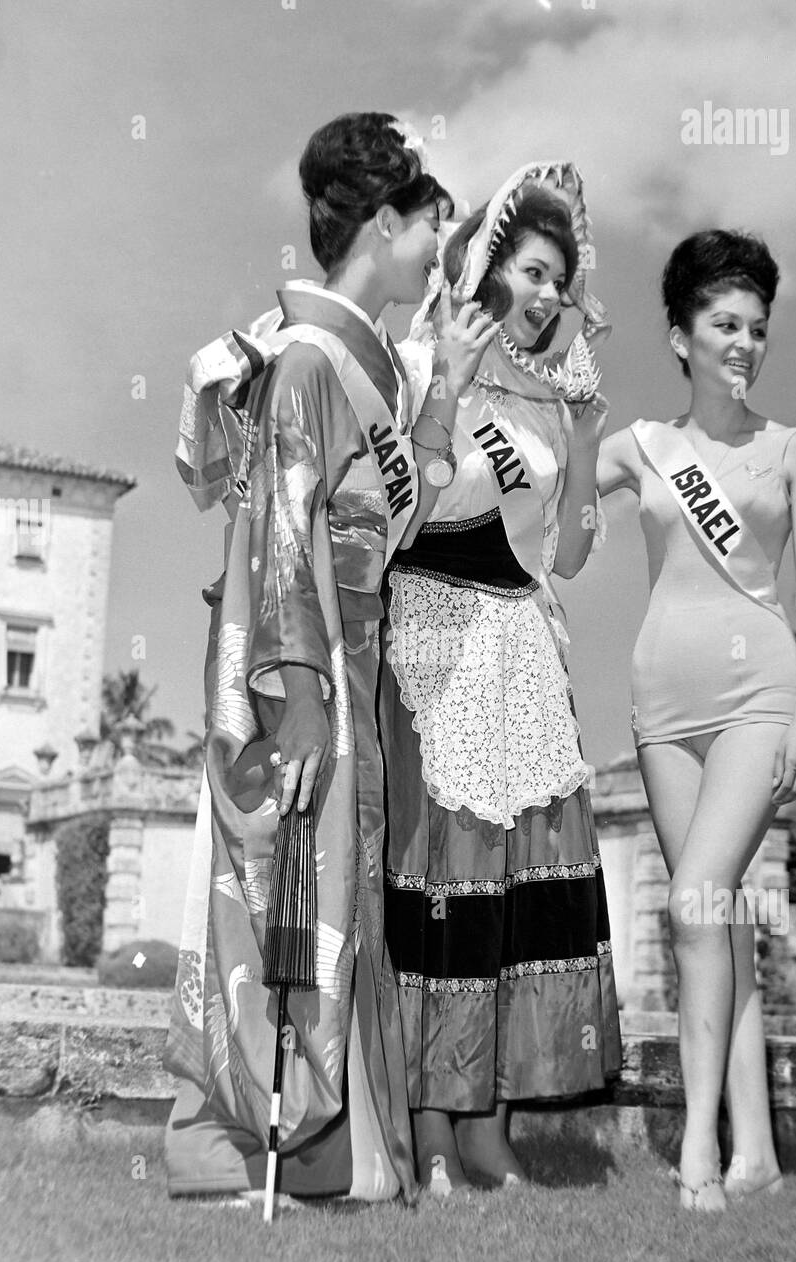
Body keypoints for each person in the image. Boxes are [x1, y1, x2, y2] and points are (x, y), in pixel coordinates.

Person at [163, 112, 496, 1205]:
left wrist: (443, 383)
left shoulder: (370, 370)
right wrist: (298, 697)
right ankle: (246, 1151)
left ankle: (334, 1153)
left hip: (354, 656)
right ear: (385, 223)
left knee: (335, 893)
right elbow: (276, 532)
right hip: (296, 668)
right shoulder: (306, 359)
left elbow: (398, 517)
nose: (436, 259)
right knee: (284, 895)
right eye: (429, 233)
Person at [382, 163, 622, 1195]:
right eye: (533, 270)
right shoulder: (417, 357)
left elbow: (566, 555)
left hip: (520, 641)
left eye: (560, 284)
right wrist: (440, 392)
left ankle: (488, 1128)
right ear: (487, 263)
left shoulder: (549, 400)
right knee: (449, 881)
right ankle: (431, 1129)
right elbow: (402, 508)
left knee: (518, 889)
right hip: (435, 634)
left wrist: (585, 430)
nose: (546, 296)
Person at [597, 229, 796, 1212]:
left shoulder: (793, 450)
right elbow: (550, 502)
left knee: (696, 900)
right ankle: (762, 1153)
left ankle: (698, 1146)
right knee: (718, 917)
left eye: (756, 328)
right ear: (681, 336)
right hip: (662, 700)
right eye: (723, 324)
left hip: (757, 697)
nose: (743, 343)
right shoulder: (640, 446)